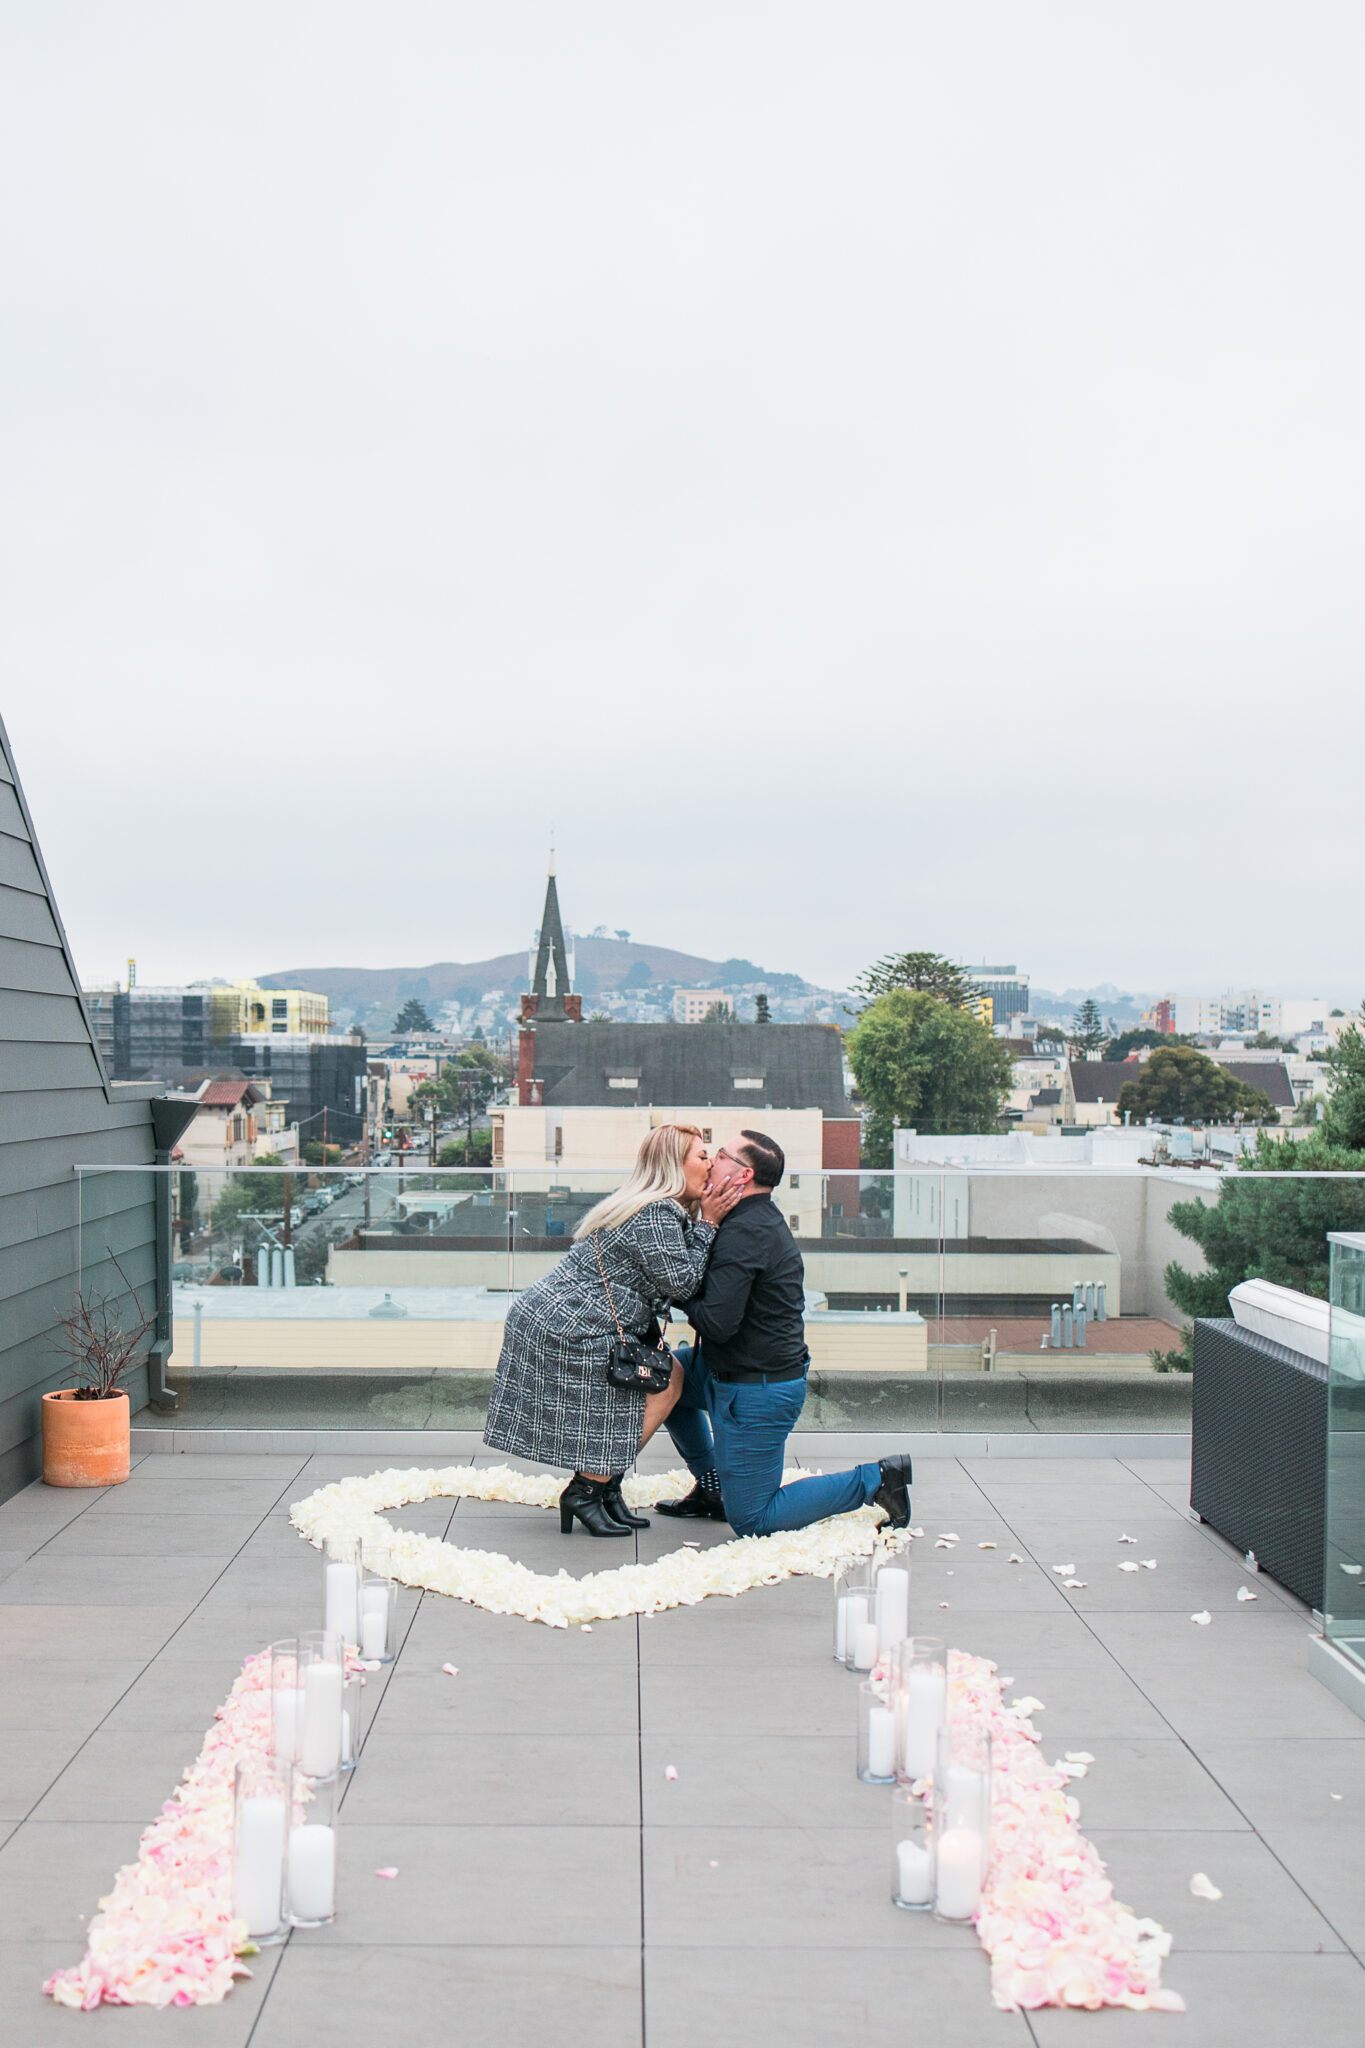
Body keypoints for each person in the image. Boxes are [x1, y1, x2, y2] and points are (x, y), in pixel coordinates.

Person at [483, 1124, 739, 1535]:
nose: (710, 1164)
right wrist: (709, 1222)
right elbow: (683, 1284)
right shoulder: (656, 1212)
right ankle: (586, 1491)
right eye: (702, 1156)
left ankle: (605, 1489)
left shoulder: (655, 1206)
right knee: (664, 1385)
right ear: (675, 1165)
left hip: (564, 1316)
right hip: (570, 1325)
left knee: (662, 1384)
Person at [660, 1129, 912, 1534]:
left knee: (753, 1519)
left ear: (742, 1176)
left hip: (756, 1390)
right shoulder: (738, 1217)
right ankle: (714, 1486)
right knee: (663, 1380)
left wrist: (672, 1290)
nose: (711, 1161)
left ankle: (877, 1480)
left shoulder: (747, 1232)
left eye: (721, 1155)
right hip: (722, 1370)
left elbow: (717, 1323)